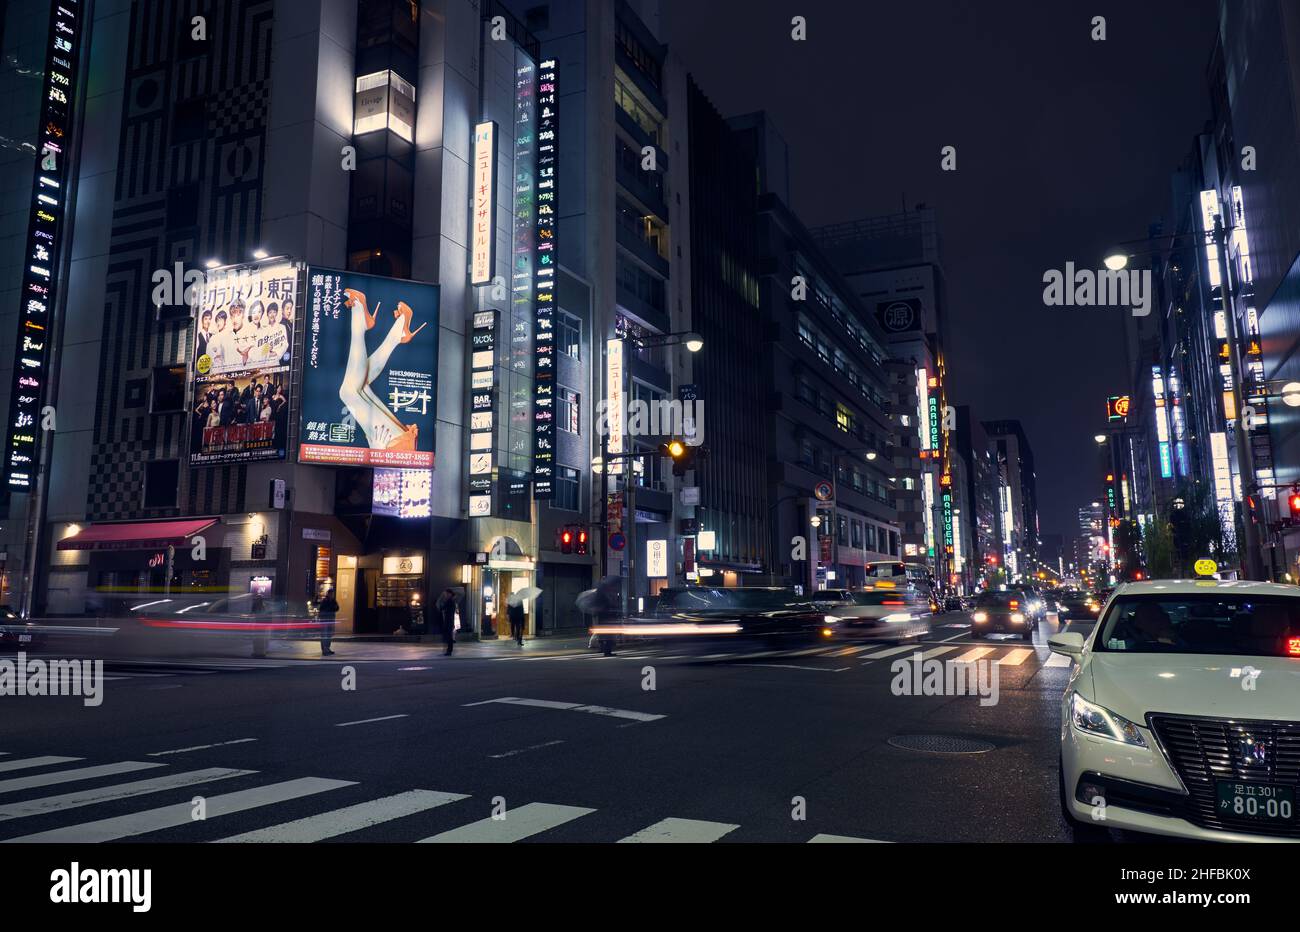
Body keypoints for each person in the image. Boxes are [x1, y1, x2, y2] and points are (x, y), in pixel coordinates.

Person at [338, 288, 425, 452]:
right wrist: (378, 453)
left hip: (388, 446)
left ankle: (397, 332)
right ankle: (367, 322)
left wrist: (375, 450)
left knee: (359, 387)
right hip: (395, 447)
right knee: (348, 393)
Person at [317, 586, 339, 656]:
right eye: (331, 593)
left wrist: (334, 607)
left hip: (331, 620)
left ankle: (328, 648)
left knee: (329, 635)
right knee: (324, 635)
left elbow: (337, 608)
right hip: (325, 620)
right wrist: (332, 608)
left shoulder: (333, 600)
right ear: (328, 594)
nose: (332, 595)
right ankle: (324, 649)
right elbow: (322, 610)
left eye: (332, 594)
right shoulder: (325, 601)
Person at [435, 588, 457, 655]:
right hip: (448, 620)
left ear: (450, 594)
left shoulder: (450, 601)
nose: (445, 595)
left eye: (446, 594)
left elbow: (444, 609)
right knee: (448, 636)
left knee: (449, 636)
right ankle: (448, 650)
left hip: (449, 621)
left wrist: (442, 605)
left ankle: (449, 651)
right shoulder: (449, 601)